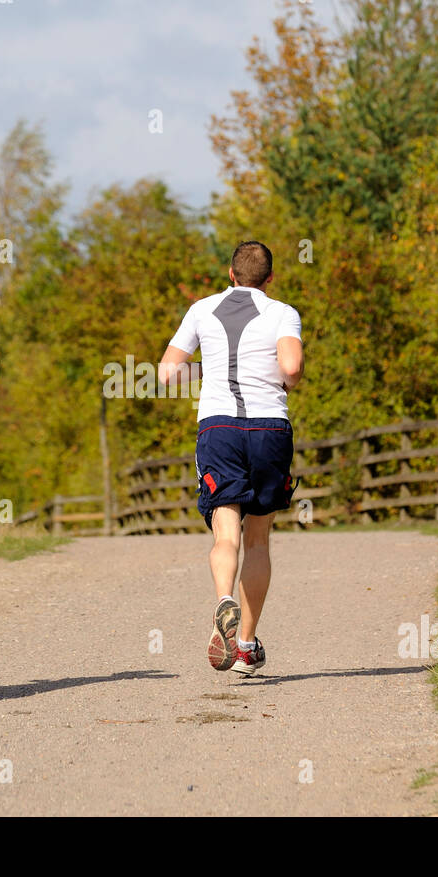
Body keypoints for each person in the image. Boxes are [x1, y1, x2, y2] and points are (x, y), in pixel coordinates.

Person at [158, 241, 304, 677]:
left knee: (226, 534)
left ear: (230, 273)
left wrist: (209, 371)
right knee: (259, 539)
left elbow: (167, 374)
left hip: (218, 428)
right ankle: (245, 647)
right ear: (270, 278)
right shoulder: (283, 312)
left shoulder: (201, 309)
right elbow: (292, 368)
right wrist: (281, 379)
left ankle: (224, 600)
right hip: (268, 429)